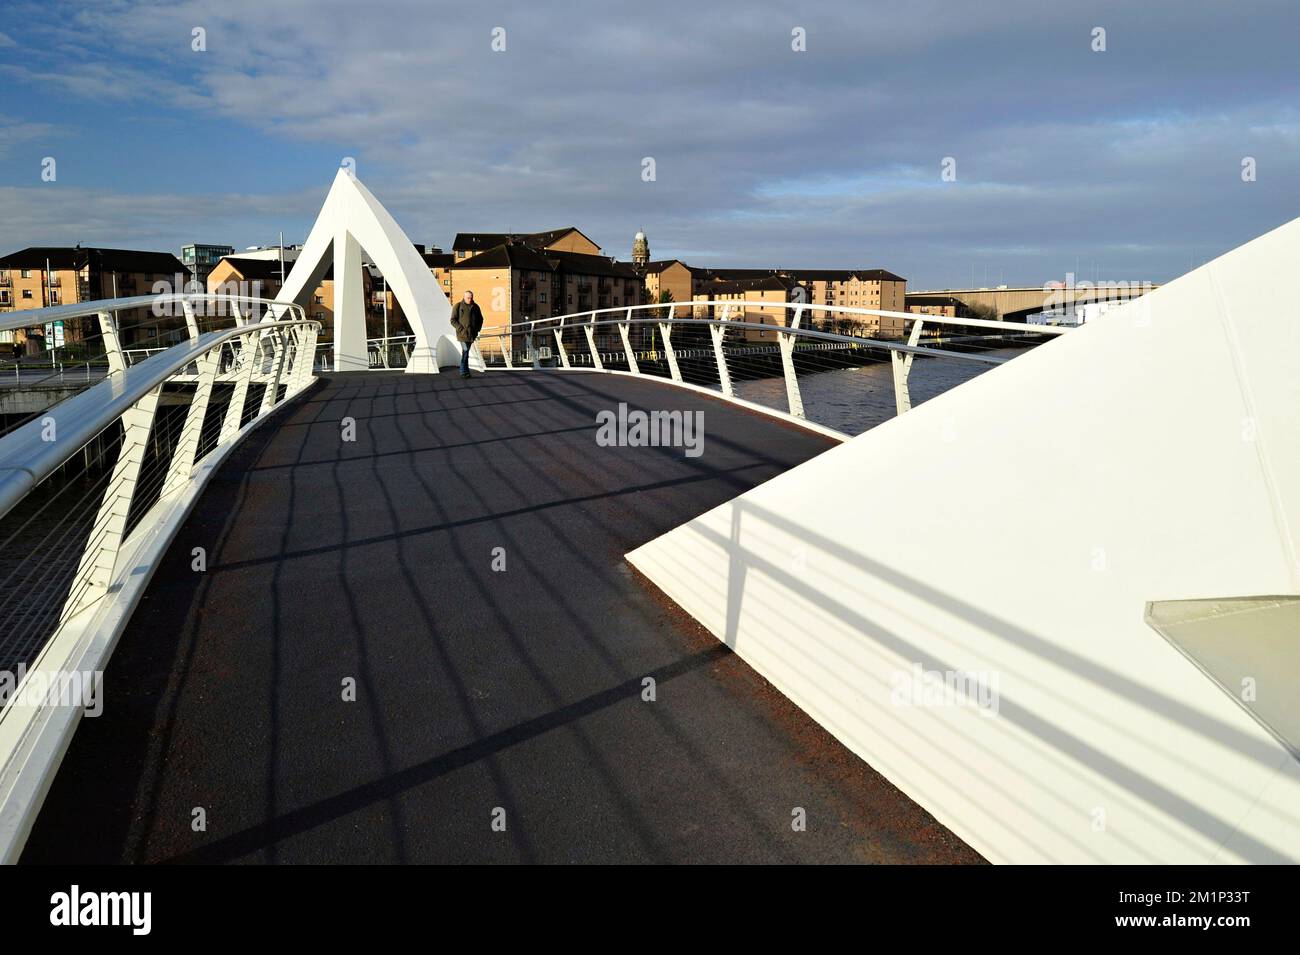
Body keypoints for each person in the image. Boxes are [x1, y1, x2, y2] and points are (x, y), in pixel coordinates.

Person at [448, 290, 484, 378]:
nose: (470, 299)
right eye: (468, 298)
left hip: (472, 334)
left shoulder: (475, 307)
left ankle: (466, 371)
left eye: (471, 298)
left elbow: (481, 319)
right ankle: (463, 372)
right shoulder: (458, 306)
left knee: (466, 352)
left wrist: (477, 330)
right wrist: (461, 329)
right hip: (462, 335)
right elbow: (453, 320)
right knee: (465, 351)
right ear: (464, 297)